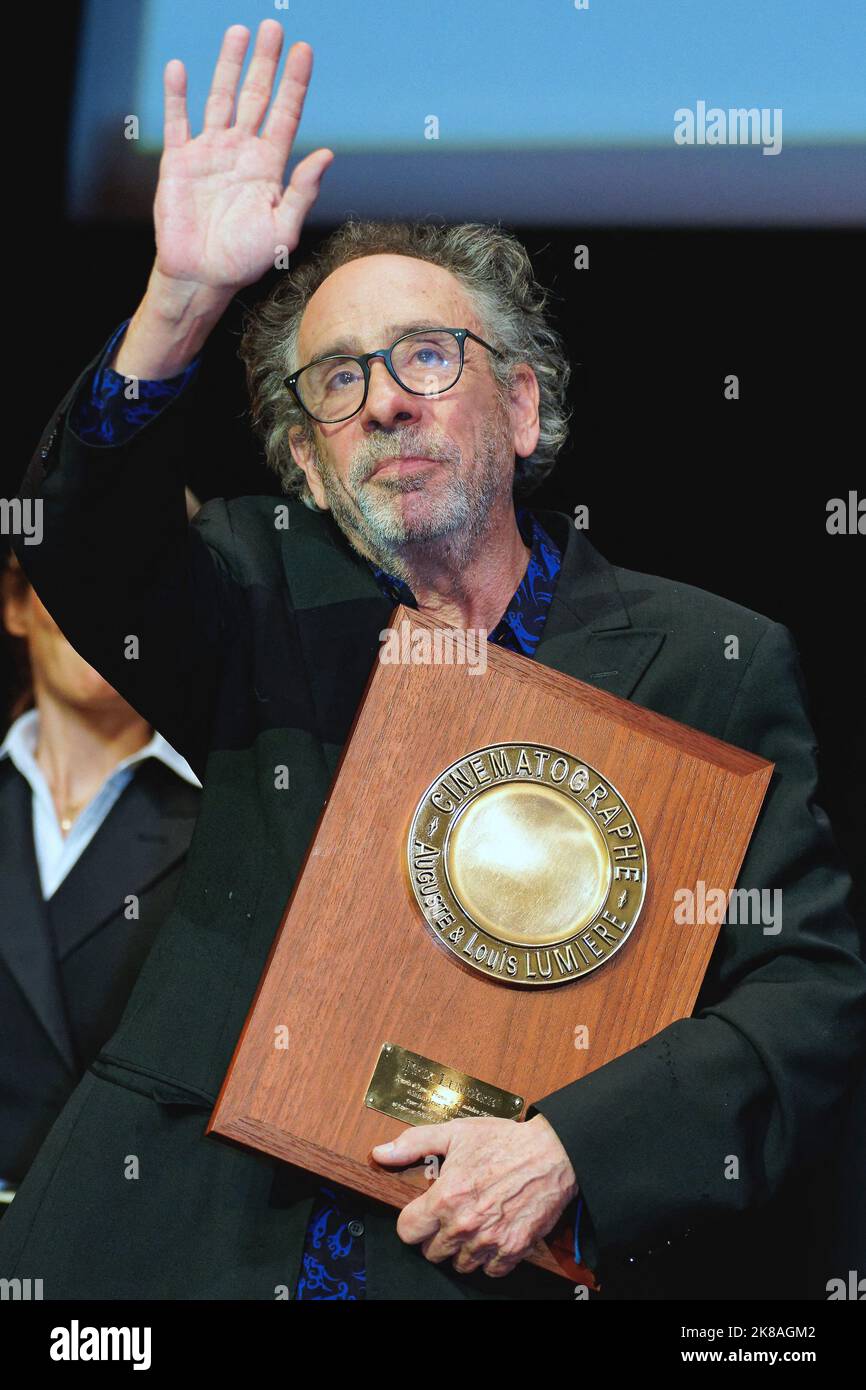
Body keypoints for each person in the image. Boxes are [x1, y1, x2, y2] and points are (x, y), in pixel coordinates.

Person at [2, 20, 864, 1300]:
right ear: (306, 463)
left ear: (521, 407)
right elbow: (77, 541)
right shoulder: (254, 597)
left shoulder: (705, 659)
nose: (385, 402)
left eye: (422, 357)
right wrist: (178, 301)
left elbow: (803, 993)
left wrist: (576, 1146)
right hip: (159, 1255)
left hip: (470, 1264)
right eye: (336, 383)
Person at [0, 551, 201, 1205]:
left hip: (126, 1247)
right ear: (16, 606)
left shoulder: (238, 824)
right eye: (74, 583)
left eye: (135, 586)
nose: (102, 617)